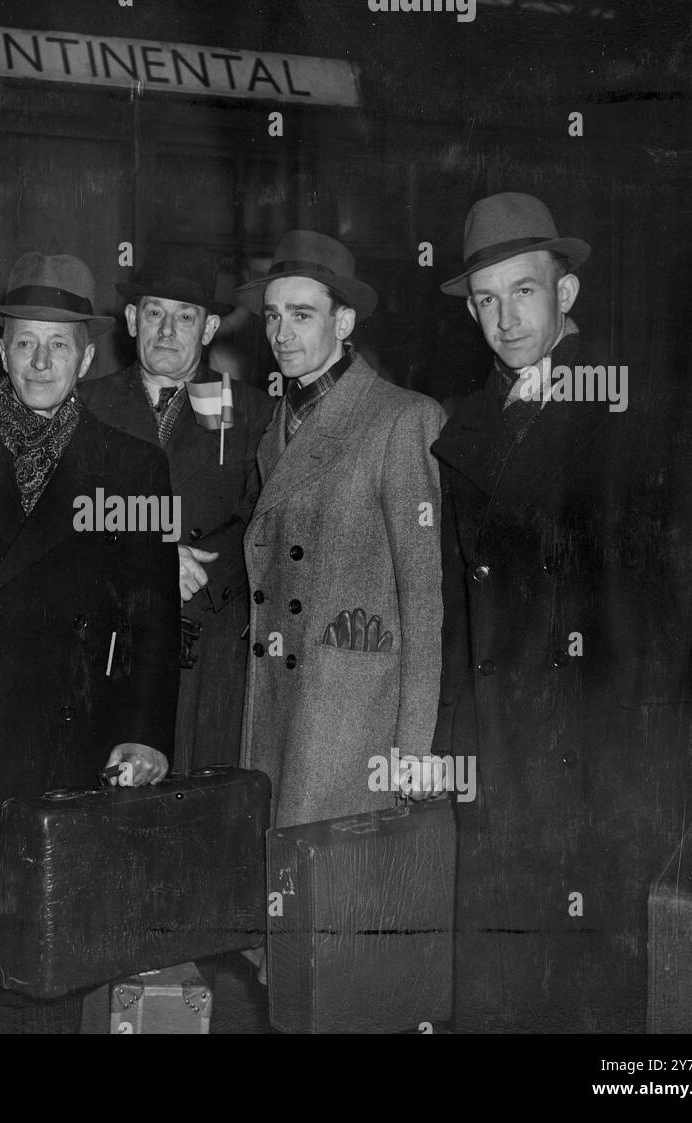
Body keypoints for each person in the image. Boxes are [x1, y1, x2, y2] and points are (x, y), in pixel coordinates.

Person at [432, 191, 692, 1032]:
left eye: (522, 291)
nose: (503, 317)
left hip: (614, 756)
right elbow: (463, 614)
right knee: (500, 987)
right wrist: (446, 753)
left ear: (566, 293)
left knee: (595, 998)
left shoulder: (645, 408)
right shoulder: (463, 431)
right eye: (485, 300)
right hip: (500, 761)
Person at [0, 252, 179, 1033]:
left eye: (57, 346)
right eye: (25, 344)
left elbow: (154, 620)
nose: (39, 361)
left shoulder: (134, 466)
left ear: (87, 358)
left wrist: (146, 733)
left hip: (82, 742)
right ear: (0, 354)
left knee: (63, 962)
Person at [238, 231, 444, 829]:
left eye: (302, 315)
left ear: (344, 321)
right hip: (279, 698)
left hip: (350, 714)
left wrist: (414, 747)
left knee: (334, 898)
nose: (281, 333)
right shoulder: (274, 428)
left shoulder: (403, 418)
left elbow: (423, 597)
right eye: (273, 315)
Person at [80, 253, 273, 771]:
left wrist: (200, 569)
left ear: (208, 327)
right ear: (130, 320)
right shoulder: (85, 404)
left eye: (184, 317)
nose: (167, 331)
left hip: (208, 643)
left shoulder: (249, 409)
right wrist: (156, 558)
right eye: (153, 314)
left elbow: (262, 514)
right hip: (113, 645)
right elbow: (73, 513)